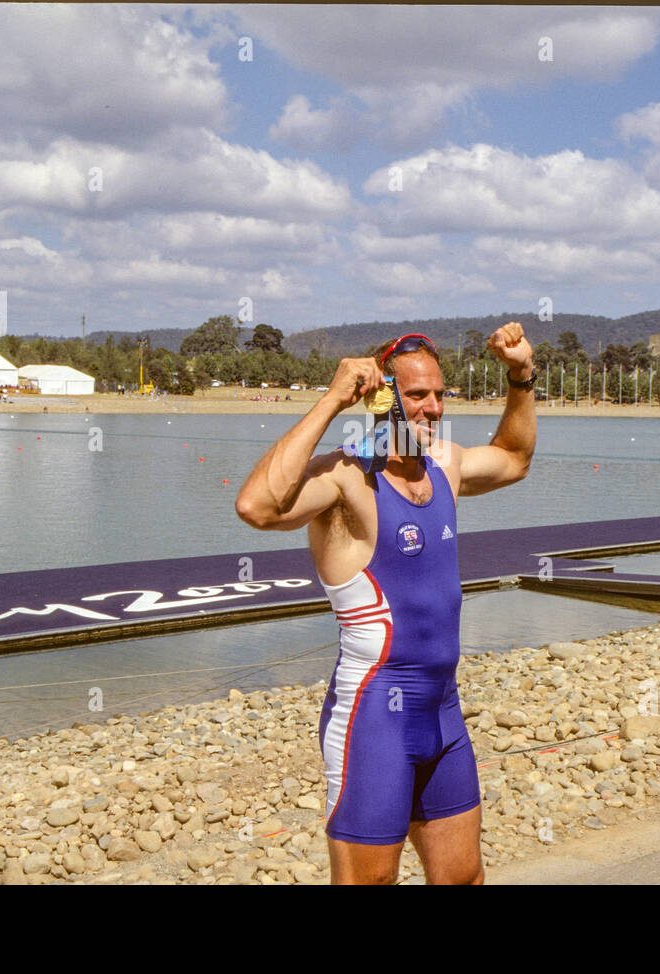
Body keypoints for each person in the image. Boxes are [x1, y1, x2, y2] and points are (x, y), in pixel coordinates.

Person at [236, 323, 535, 884]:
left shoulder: (443, 464)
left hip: (444, 713)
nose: (433, 408)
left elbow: (514, 458)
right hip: (374, 715)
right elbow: (256, 506)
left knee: (462, 878)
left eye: (440, 395)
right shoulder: (349, 476)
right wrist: (330, 400)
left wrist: (521, 374)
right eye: (417, 395)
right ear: (382, 399)